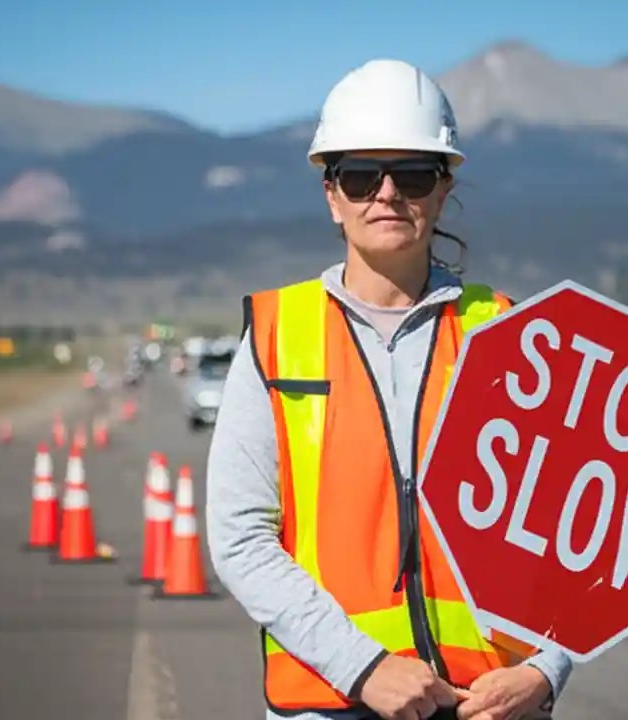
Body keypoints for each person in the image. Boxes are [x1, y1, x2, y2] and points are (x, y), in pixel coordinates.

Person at [205, 58, 573, 720]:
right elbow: (240, 537)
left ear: (442, 188)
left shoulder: (513, 335)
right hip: (334, 702)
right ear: (331, 196)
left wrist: (546, 670)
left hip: (491, 704)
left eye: (412, 174)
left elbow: (578, 537)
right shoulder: (275, 337)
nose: (386, 193)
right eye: (358, 175)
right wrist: (363, 668)